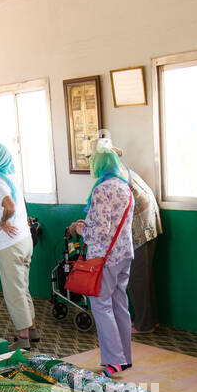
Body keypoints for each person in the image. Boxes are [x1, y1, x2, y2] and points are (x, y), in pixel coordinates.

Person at [70, 148, 134, 376]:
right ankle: (125, 357)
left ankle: (114, 360)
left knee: (101, 305)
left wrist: (80, 228)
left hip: (104, 257)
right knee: (120, 304)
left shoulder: (102, 189)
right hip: (124, 254)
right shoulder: (125, 186)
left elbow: (100, 231)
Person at [0, 141, 37, 347]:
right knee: (23, 287)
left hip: (9, 244)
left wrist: (3, 221)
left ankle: (23, 339)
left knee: (14, 292)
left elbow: (10, 206)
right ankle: (32, 329)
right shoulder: (10, 176)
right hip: (24, 240)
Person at [114, 147, 162, 334]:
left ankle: (144, 325)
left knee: (137, 280)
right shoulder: (128, 173)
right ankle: (150, 321)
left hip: (140, 233)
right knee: (144, 279)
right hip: (150, 229)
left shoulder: (118, 179)